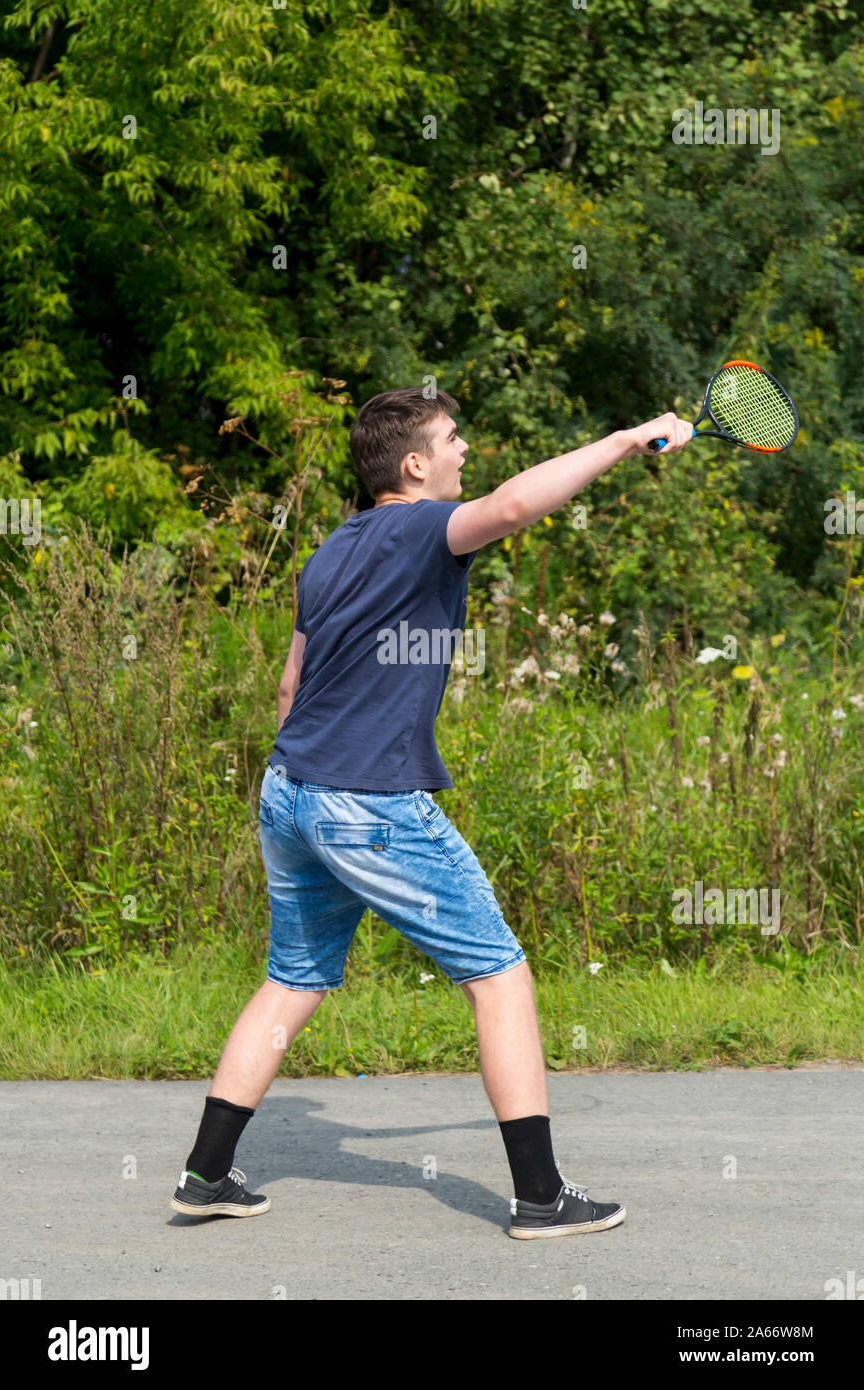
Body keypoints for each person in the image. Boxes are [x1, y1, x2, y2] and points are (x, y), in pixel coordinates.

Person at [170, 386, 692, 1238]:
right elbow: (518, 504)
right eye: (453, 440)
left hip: (289, 791)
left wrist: (309, 787)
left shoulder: (326, 554)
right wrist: (628, 437)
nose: (463, 452)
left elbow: (289, 686)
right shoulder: (419, 529)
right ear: (413, 465)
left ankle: (206, 1173)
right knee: (500, 976)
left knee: (292, 980)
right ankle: (539, 1197)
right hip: (368, 801)